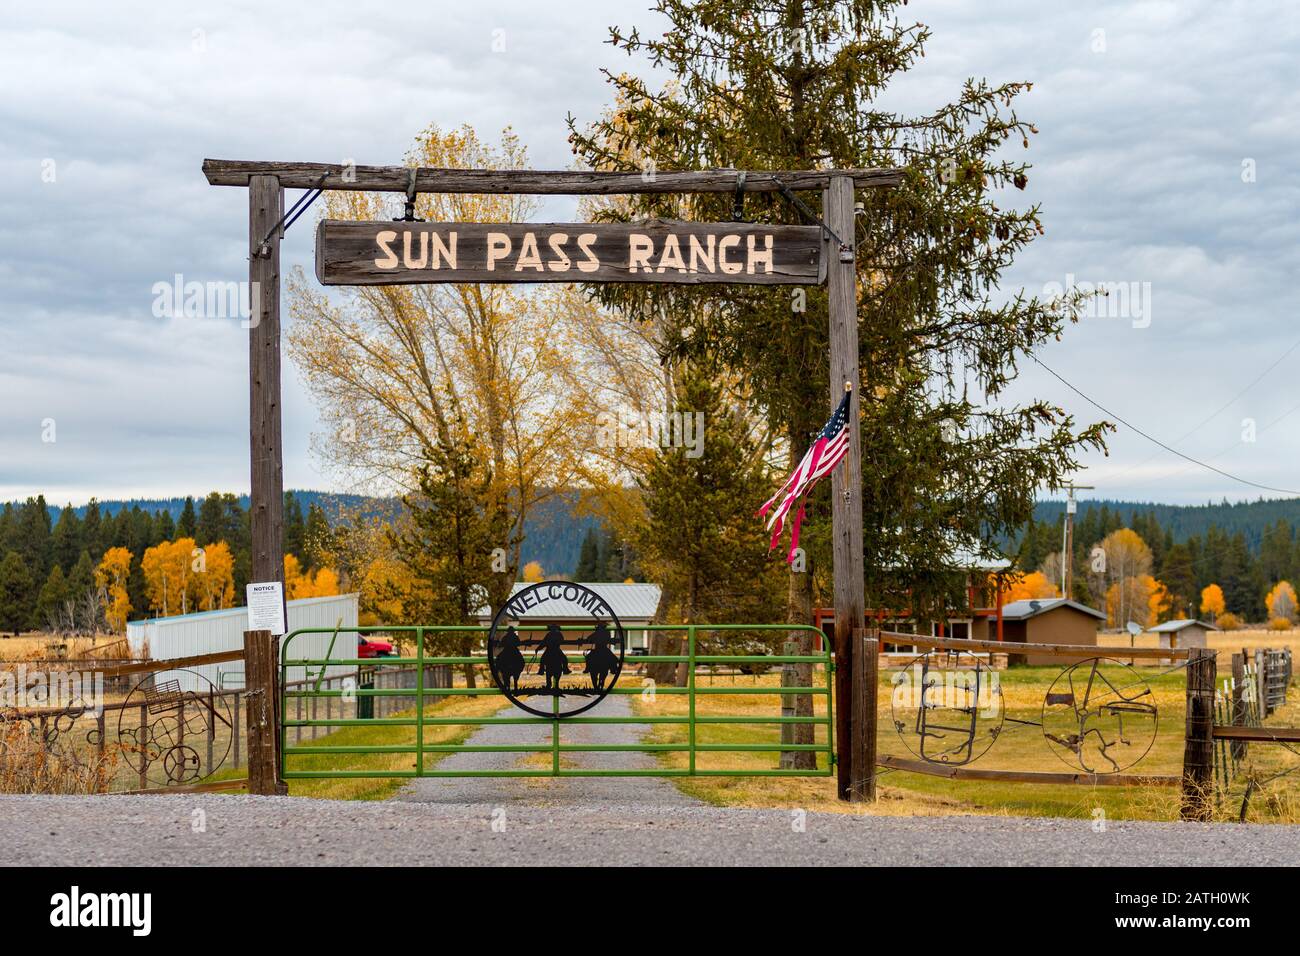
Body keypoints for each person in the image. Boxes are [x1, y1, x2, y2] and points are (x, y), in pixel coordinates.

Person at [583, 620, 620, 692]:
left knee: (588, 658)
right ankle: (613, 670)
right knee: (614, 659)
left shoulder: (596, 633)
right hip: (605, 651)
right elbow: (609, 640)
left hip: (597, 651)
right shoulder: (607, 633)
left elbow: (589, 639)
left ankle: (587, 669)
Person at [536, 623, 571, 692]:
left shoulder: (549, 634)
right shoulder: (559, 634)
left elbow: (543, 643)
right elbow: (562, 641)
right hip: (557, 650)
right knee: (564, 659)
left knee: (543, 659)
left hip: (549, 650)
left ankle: (541, 670)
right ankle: (565, 669)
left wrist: (538, 648)